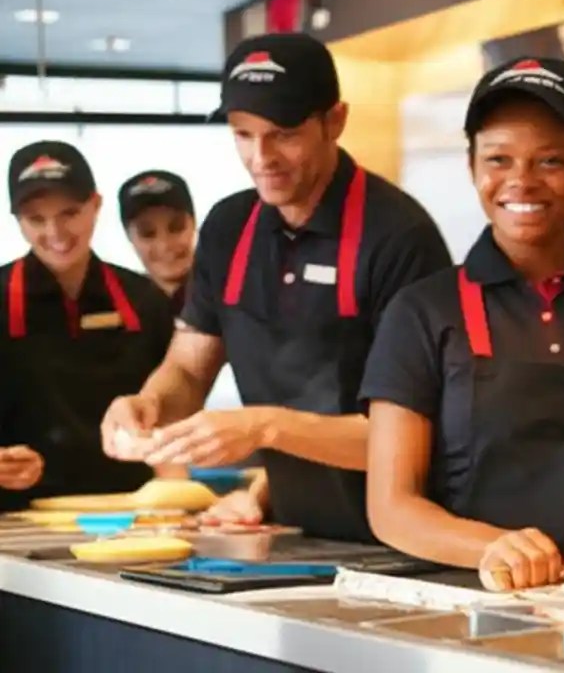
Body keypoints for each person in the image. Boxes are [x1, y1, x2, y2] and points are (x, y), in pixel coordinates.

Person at [100, 33, 452, 542]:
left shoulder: (397, 236)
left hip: (399, 540)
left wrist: (265, 426)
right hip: (292, 531)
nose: (261, 156)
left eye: (283, 133)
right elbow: (187, 367)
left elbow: (414, 439)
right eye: (243, 134)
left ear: (335, 121)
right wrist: (149, 405)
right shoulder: (228, 227)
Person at [360, 57, 564, 590]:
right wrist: (492, 548)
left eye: (550, 161)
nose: (521, 182)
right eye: (498, 159)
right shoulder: (422, 311)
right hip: (459, 596)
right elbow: (392, 506)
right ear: (473, 167)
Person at [0, 141, 175, 510]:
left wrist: (179, 495)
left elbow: (173, 409)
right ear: (17, 221)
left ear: (96, 206)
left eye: (69, 213)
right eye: (36, 219)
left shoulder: (144, 299)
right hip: (18, 518)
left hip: (132, 512)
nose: (56, 232)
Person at [118, 170, 197, 316]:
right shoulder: (119, 307)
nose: (164, 245)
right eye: (147, 233)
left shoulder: (234, 296)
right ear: (129, 236)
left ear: (194, 224)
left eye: (176, 227)